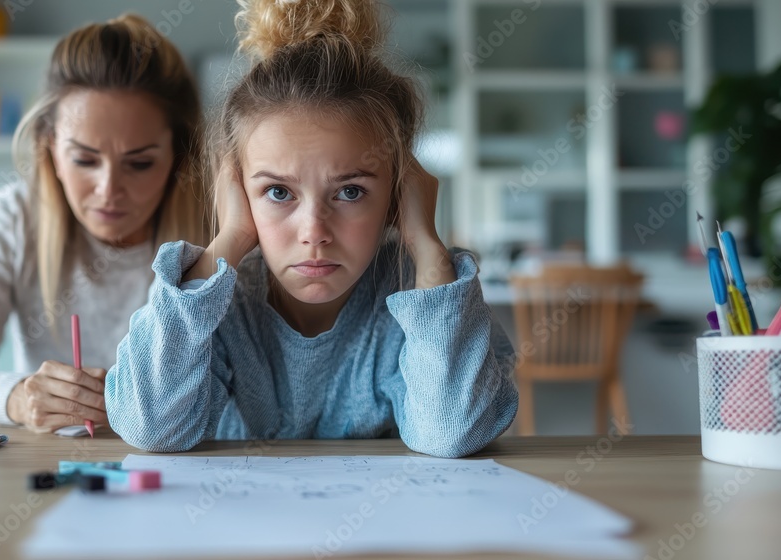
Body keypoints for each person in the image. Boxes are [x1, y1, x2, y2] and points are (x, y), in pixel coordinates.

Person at [105, 0, 518, 458]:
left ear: (399, 192)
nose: (314, 232)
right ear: (239, 192)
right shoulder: (219, 305)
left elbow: (452, 432)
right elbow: (150, 427)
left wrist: (426, 246)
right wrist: (231, 237)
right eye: (279, 193)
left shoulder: (424, 301)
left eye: (351, 192)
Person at [0, 14, 208, 433]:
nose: (108, 190)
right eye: (84, 159)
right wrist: (19, 397)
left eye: (139, 163)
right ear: (49, 148)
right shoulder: (14, 218)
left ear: (179, 155)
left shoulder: (216, 232)